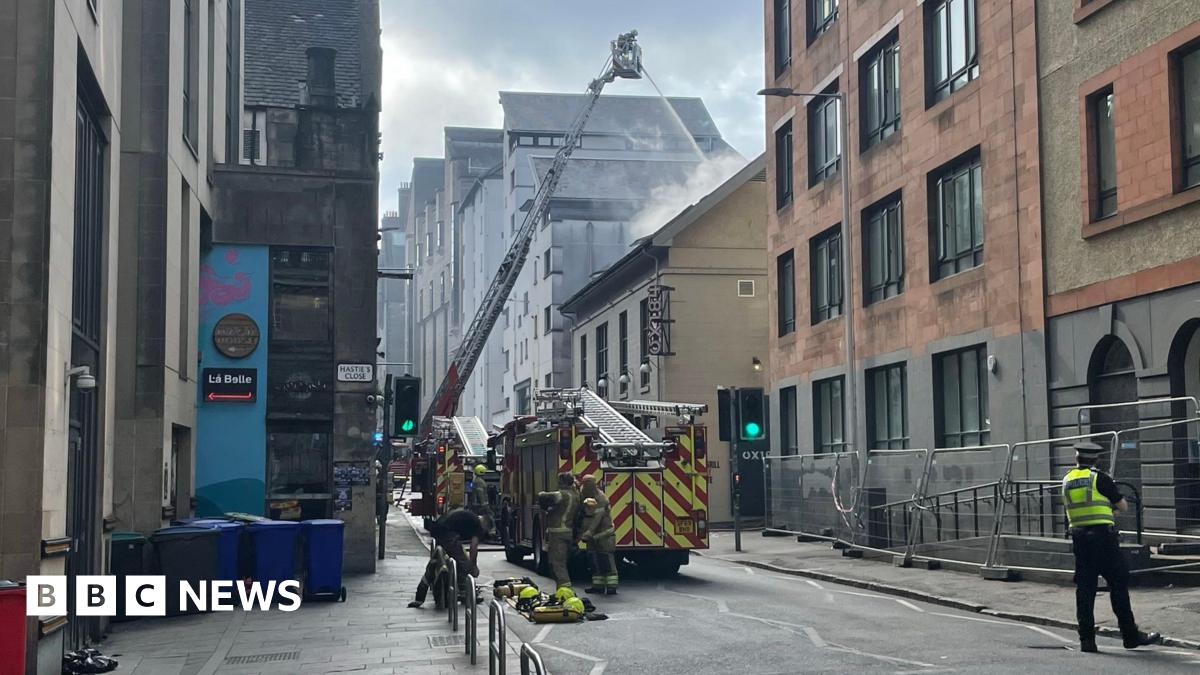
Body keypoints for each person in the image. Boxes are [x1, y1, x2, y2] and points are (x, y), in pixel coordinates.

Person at [1063, 441, 1161, 653]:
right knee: (1118, 584)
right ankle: (1130, 636)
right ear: (1096, 459)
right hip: (1103, 539)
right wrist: (1110, 511)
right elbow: (1122, 505)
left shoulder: (1067, 480)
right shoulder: (1099, 478)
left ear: (1076, 458)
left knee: (1085, 590)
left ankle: (1087, 640)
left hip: (1080, 540)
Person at [408, 508, 487, 608]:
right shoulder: (479, 526)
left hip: (438, 528)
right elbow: (473, 547)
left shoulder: (471, 517)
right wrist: (473, 566)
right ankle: (464, 591)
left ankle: (421, 595)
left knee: (442, 558)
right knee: (463, 562)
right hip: (447, 532)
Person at [537, 472, 581, 592]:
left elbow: (544, 496)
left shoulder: (562, 495)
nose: (558, 483)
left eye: (559, 481)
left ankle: (565, 592)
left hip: (558, 534)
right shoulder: (576, 495)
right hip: (567, 532)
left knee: (558, 564)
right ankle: (561, 591)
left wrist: (541, 495)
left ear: (563, 482)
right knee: (560, 563)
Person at [579, 475, 618, 595]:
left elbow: (597, 518)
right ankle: (598, 586)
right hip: (592, 538)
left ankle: (611, 586)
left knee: (606, 560)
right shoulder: (584, 495)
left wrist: (588, 533)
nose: (585, 487)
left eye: (587, 484)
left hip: (604, 536)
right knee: (594, 562)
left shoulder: (601, 498)